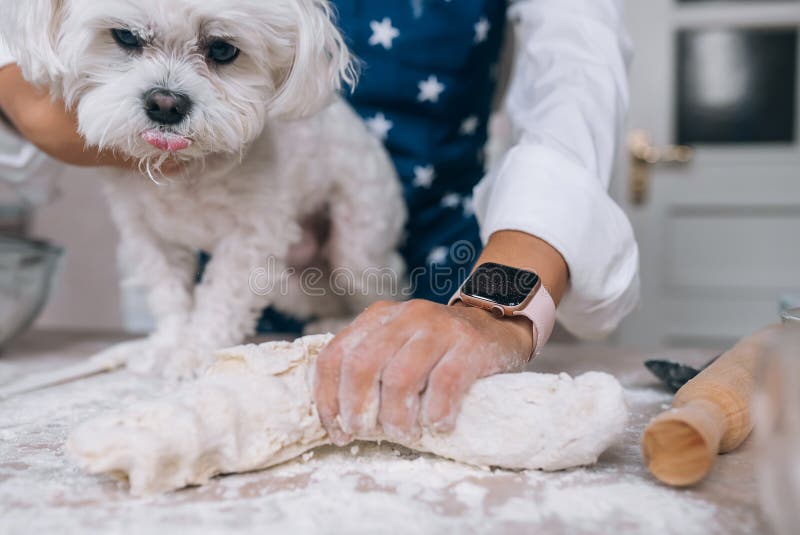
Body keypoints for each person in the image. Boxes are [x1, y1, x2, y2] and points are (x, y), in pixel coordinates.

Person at [0, 1, 639, 446]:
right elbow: (34, 123)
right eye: (129, 38)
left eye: (220, 51)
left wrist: (499, 302)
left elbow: (576, 75)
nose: (169, 87)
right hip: (179, 266)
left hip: (426, 251)